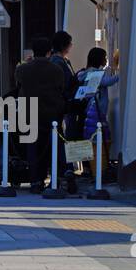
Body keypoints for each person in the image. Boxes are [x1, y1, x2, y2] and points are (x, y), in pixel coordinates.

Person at [14, 37, 66, 193]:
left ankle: (36, 180)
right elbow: (61, 88)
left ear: (33, 52)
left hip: (29, 113)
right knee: (53, 147)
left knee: (33, 148)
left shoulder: (22, 69)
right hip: (52, 113)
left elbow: (18, 85)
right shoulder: (57, 69)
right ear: (49, 51)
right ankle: (56, 178)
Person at [49, 31, 79, 192]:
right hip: (63, 106)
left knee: (61, 138)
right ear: (64, 45)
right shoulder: (59, 62)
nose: (71, 46)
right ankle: (67, 169)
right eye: (70, 43)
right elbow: (67, 83)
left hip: (58, 105)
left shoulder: (57, 61)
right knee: (63, 138)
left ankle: (65, 169)